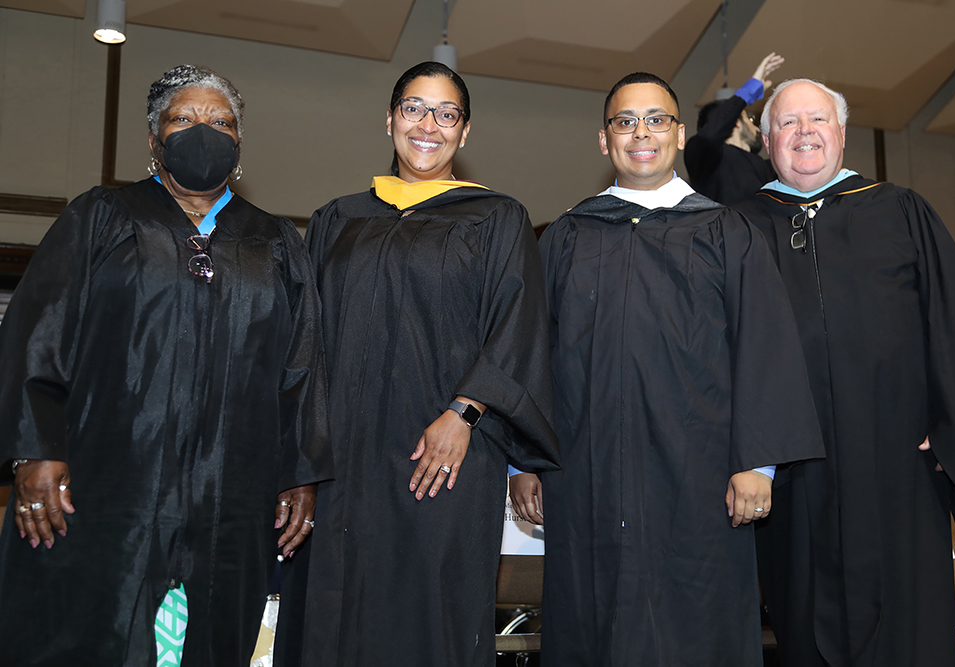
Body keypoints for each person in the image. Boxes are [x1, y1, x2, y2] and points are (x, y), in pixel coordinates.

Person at [0, 64, 332, 667]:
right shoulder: (102, 216)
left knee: (216, 636)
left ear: (239, 143)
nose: (204, 131)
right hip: (108, 480)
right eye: (184, 119)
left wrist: (300, 471)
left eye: (221, 122)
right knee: (91, 630)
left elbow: (302, 365)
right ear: (154, 140)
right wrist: (35, 449)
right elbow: (36, 332)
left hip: (234, 486)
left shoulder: (276, 240)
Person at [529, 72, 824, 666]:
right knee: (592, 622)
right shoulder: (565, 237)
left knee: (694, 628)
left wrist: (758, 463)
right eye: (625, 121)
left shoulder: (726, 231)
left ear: (680, 134)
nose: (642, 133)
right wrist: (524, 461)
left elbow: (764, 346)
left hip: (700, 477)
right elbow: (533, 351)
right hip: (585, 478)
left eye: (656, 119)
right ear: (604, 140)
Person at [274, 61, 559, 667]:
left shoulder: (497, 217)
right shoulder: (335, 219)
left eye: (446, 114)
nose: (428, 125)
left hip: (443, 455)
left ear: (465, 131)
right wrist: (302, 462)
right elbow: (302, 343)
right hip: (342, 461)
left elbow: (518, 325)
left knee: (428, 614)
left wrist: (465, 413)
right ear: (389, 119)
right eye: (414, 108)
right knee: (334, 611)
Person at [736, 78, 955, 667]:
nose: (804, 131)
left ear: (842, 133)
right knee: (803, 631)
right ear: (767, 141)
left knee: (908, 635)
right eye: (787, 122)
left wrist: (948, 423)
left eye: (818, 119)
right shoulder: (737, 229)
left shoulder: (902, 211)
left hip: (897, 467)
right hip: (792, 477)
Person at [684, 52, 784, 205]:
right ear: (736, 122)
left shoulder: (765, 167)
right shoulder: (704, 156)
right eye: (749, 119)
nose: (756, 128)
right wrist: (749, 91)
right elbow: (710, 135)